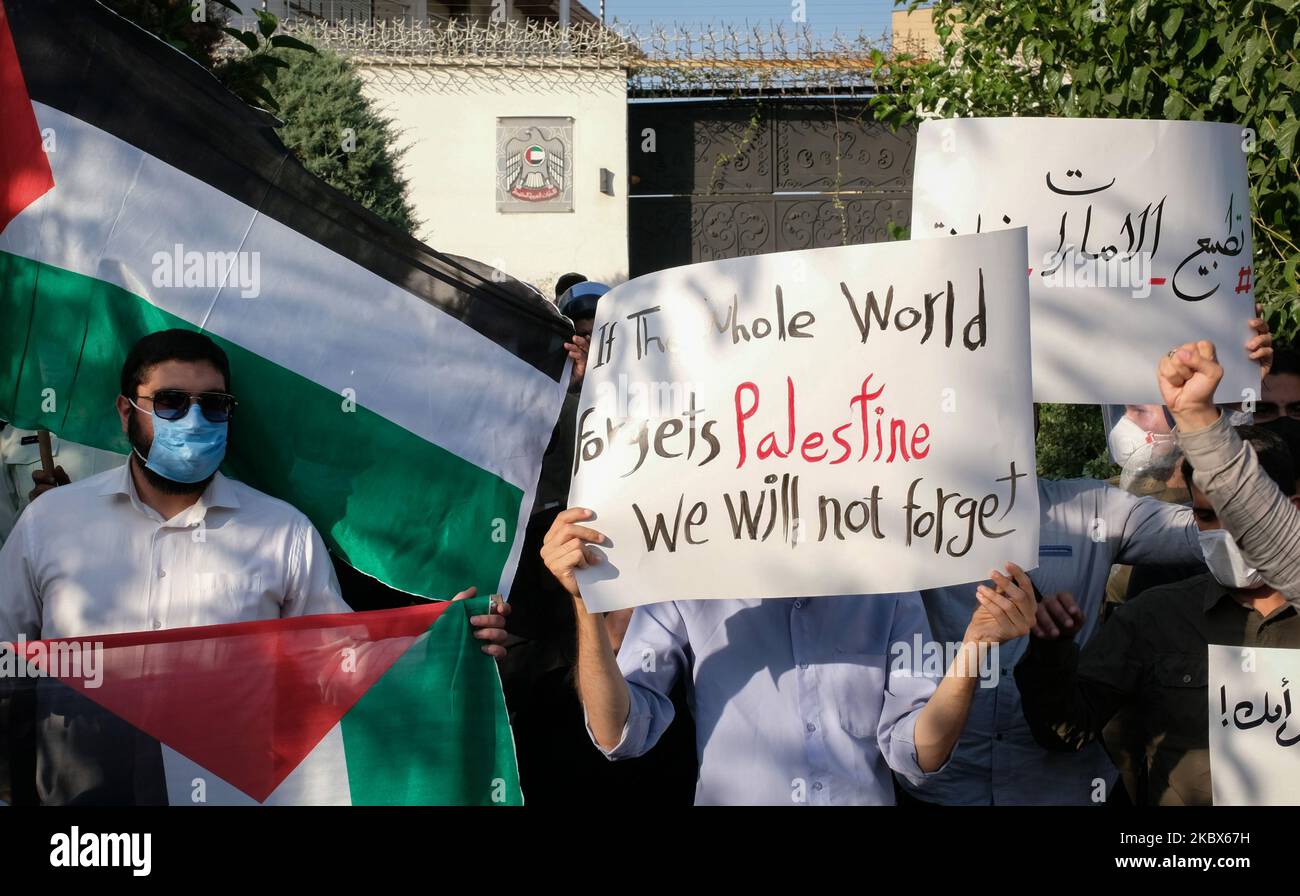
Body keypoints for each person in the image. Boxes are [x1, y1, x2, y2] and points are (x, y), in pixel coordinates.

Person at [904, 318, 1274, 806]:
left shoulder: (1094, 510)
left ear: (1033, 421)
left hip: (1063, 789)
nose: (990, 426)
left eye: (1012, 408)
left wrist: (1240, 413)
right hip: (942, 790)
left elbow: (1222, 531)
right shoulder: (895, 523)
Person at [531, 504, 1041, 805]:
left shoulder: (887, 582)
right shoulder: (689, 575)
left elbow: (917, 752)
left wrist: (974, 653)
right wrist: (585, 605)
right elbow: (619, 731)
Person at [0, 329, 359, 640]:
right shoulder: (48, 521)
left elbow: (333, 667)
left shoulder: (285, 534)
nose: (195, 420)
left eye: (214, 404)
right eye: (170, 402)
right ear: (127, 413)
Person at [1015, 425, 1300, 805]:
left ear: (1291, 510)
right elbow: (1067, 732)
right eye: (1205, 516)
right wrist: (1050, 654)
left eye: (1238, 515)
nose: (1222, 532)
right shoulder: (1153, 617)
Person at [1159, 339, 1300, 604]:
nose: (1229, 531)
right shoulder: (1156, 612)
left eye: (1297, 409)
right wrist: (1195, 414)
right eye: (1207, 516)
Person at [0, 424, 124, 546]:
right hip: (38, 560)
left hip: (119, 558)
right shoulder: (19, 424)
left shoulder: (136, 426)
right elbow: (6, 533)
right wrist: (36, 514)